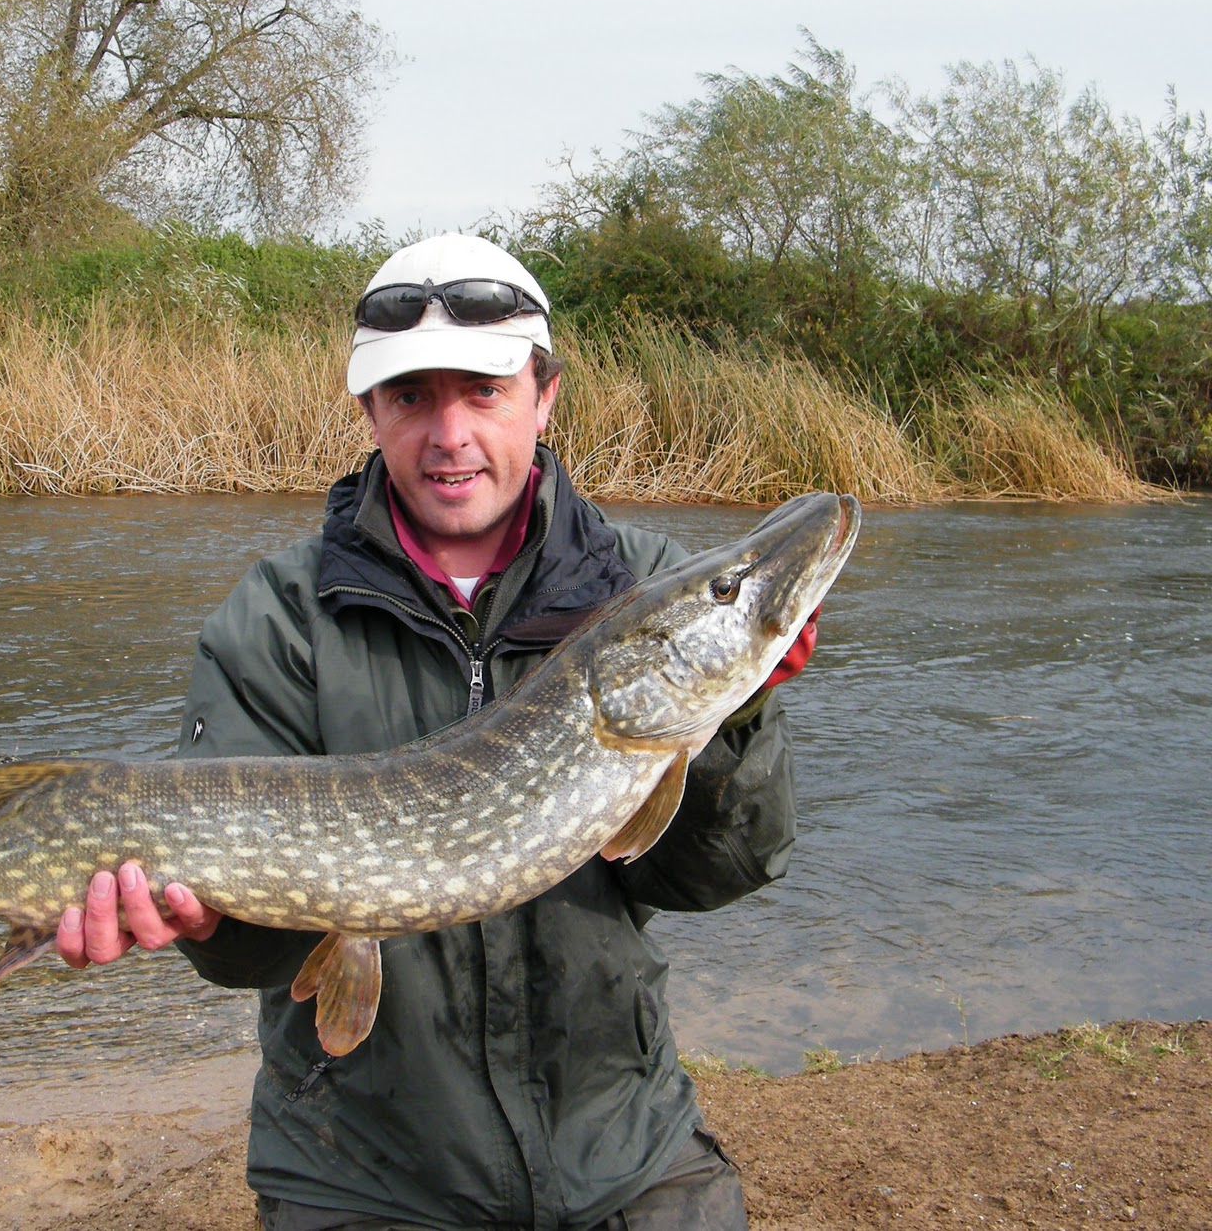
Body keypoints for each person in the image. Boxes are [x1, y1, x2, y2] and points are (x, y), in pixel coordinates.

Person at [55, 233, 816, 1230]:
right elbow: (249, 955)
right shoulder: (280, 617)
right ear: (371, 411)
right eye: (412, 397)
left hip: (619, 1146)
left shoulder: (642, 585)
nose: (449, 433)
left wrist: (736, 715)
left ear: (544, 396)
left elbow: (714, 875)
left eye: (485, 391)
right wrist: (208, 925)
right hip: (359, 1165)